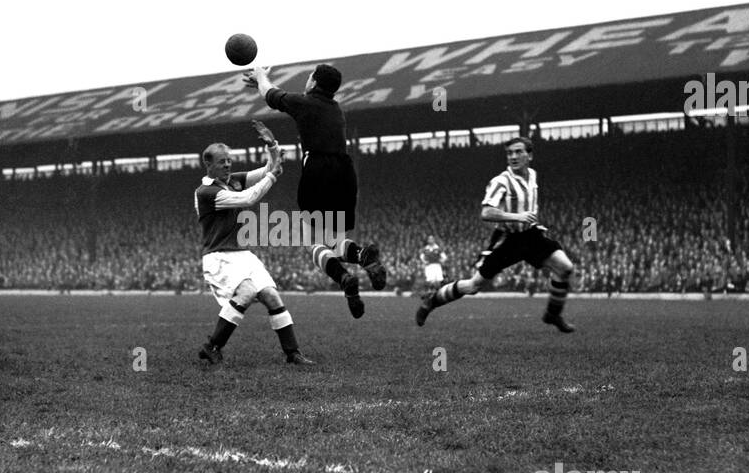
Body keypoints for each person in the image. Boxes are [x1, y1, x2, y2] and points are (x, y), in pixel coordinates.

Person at [244, 63, 385, 318]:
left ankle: (345, 279)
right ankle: (363, 256)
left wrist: (261, 77)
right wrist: (263, 84)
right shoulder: (336, 109)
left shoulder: (307, 103)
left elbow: (271, 96)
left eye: (309, 78)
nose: (306, 82)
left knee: (312, 243)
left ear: (314, 82)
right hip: (345, 172)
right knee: (336, 241)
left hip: (319, 170)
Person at [416, 136, 575, 331]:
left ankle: (553, 314)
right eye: (509, 153)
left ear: (530, 155)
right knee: (474, 286)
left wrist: (526, 219)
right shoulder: (501, 182)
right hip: (507, 239)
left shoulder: (532, 175)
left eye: (518, 152)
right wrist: (517, 216)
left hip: (531, 235)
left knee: (565, 268)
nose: (513, 157)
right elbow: (486, 212)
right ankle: (432, 301)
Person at [194, 133, 313, 365]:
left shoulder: (232, 180)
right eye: (222, 161)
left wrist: (272, 145)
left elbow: (268, 168)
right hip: (220, 256)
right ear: (208, 165)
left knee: (271, 295)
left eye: (229, 160)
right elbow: (248, 198)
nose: (228, 164)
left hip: (242, 254)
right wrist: (271, 175)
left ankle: (293, 353)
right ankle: (212, 346)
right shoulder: (206, 193)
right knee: (247, 293)